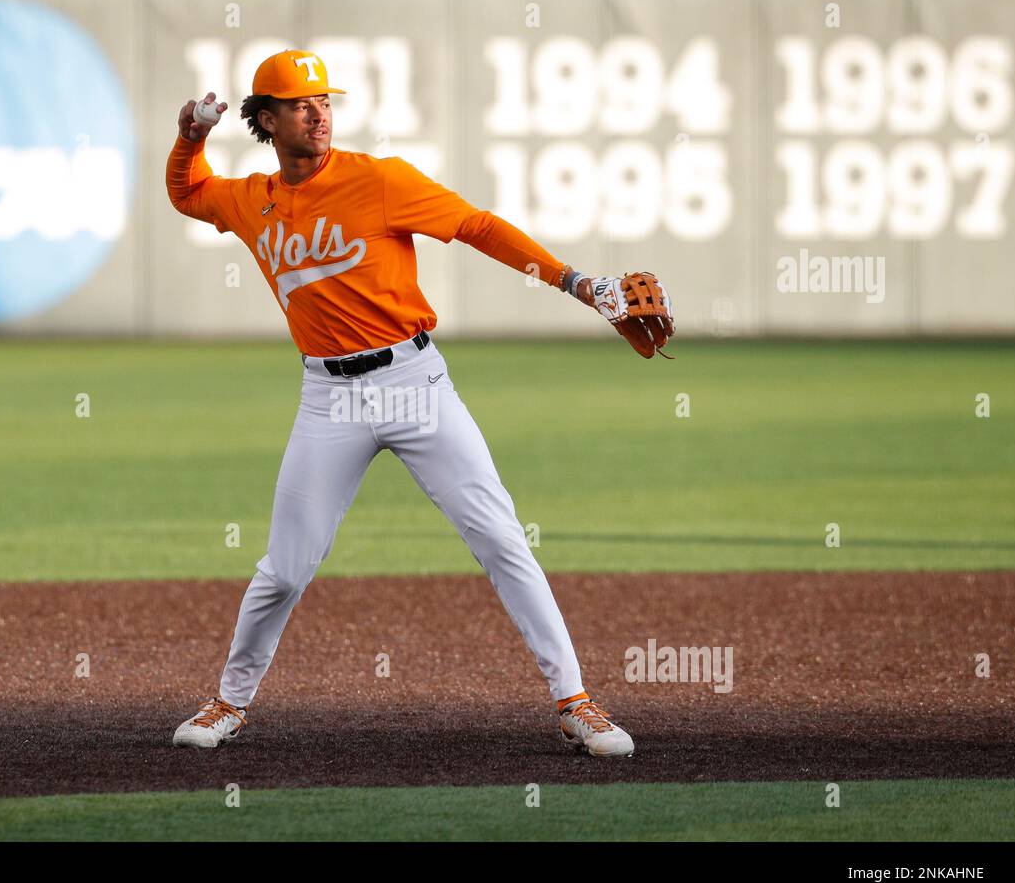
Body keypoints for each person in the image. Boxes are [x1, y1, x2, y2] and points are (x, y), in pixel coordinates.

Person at [166, 48, 672, 758]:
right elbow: (188, 193)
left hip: (415, 385)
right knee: (285, 567)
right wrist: (191, 135)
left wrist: (574, 281)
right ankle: (229, 703)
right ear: (267, 119)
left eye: (326, 100)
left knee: (500, 538)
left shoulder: (379, 181)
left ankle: (576, 702)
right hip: (327, 398)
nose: (319, 113)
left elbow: (477, 226)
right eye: (301, 103)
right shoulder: (252, 200)